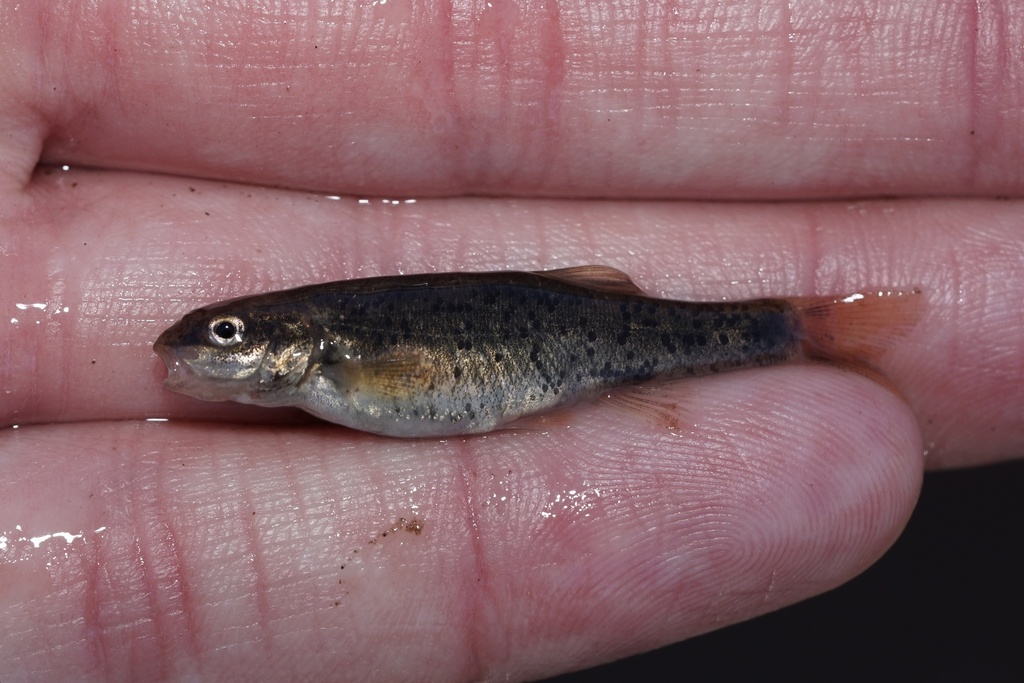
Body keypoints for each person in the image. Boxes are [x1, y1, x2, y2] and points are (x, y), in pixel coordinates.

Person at [0, 1, 1019, 679]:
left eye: (222, 335)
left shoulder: (335, 354)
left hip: (558, 343)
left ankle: (798, 329)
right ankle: (799, 331)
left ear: (285, 338)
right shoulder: (315, 374)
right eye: (216, 336)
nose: (201, 351)